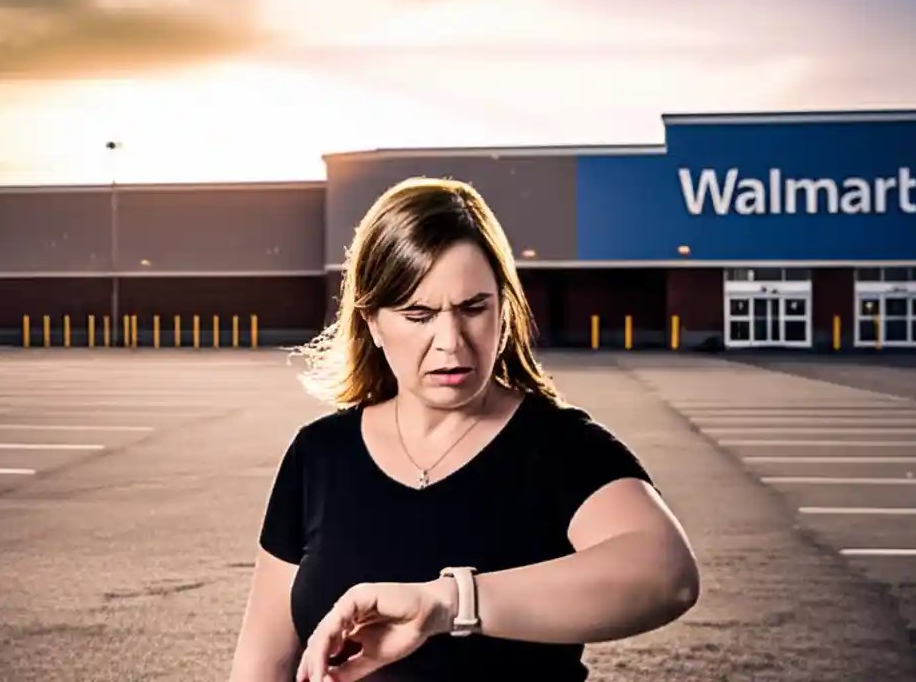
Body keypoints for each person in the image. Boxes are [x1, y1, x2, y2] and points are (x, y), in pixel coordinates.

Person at [228, 177, 700, 682]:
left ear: (504, 309)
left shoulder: (561, 447)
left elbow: (668, 573)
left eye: (473, 308)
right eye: (419, 314)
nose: (451, 342)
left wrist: (451, 603)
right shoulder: (319, 455)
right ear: (372, 322)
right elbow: (263, 664)